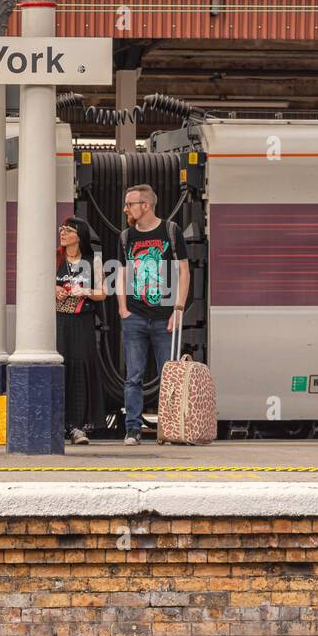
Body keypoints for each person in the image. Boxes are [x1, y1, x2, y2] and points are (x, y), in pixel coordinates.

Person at [116, 184, 190, 445]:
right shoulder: (126, 237)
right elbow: (122, 273)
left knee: (168, 376)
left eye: (130, 204)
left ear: (145, 205)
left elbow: (184, 271)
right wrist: (122, 309)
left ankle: (169, 428)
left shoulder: (170, 231)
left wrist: (178, 309)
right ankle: (132, 429)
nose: (126, 209)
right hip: (134, 316)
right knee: (133, 376)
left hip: (164, 317)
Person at [56, 216, 107, 445]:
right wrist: (54, 288)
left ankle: (77, 427)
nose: (63, 233)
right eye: (62, 229)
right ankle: (57, 423)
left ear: (80, 235)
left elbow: (103, 293)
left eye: (68, 230)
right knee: (59, 367)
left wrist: (85, 292)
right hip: (59, 319)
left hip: (83, 320)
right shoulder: (55, 258)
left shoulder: (92, 260)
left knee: (80, 368)